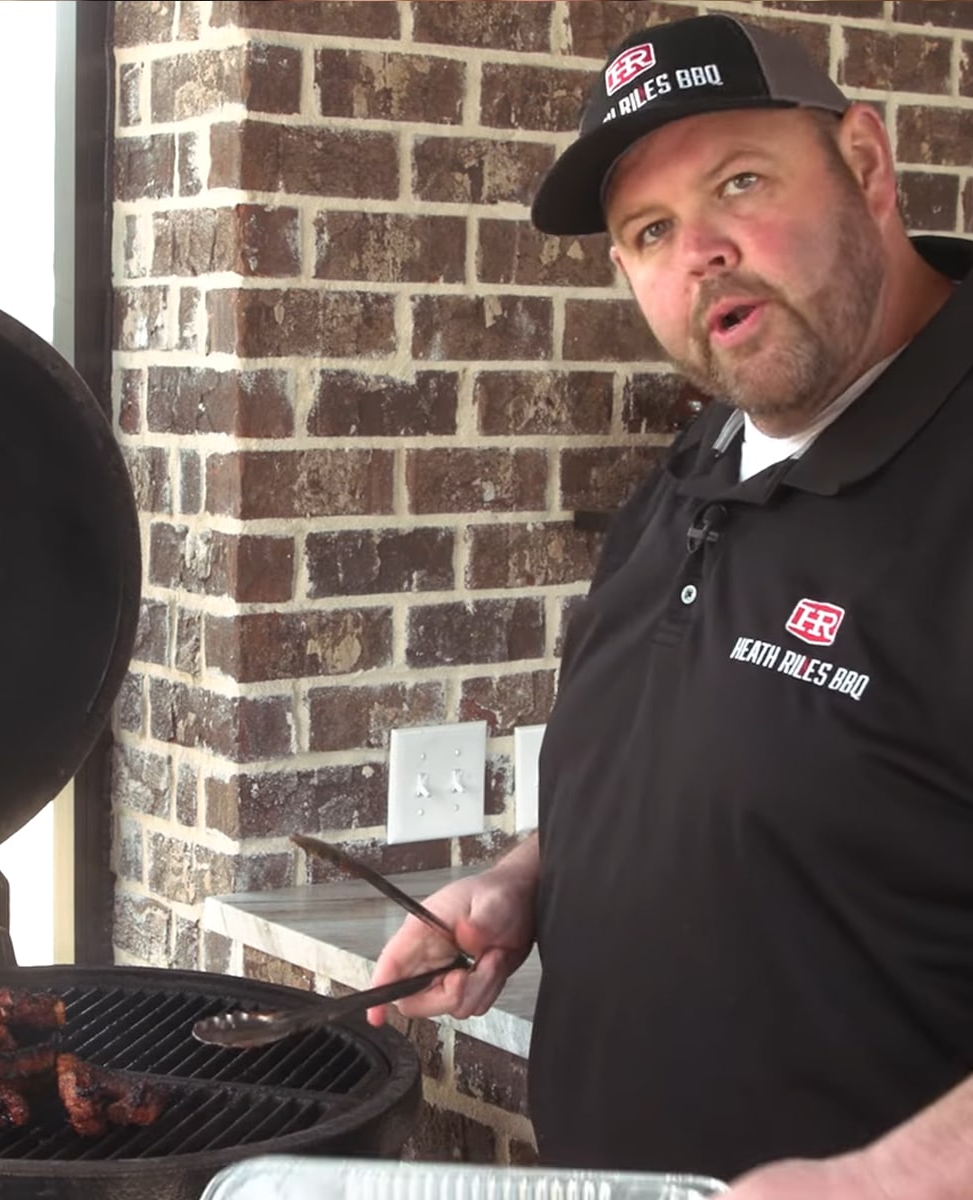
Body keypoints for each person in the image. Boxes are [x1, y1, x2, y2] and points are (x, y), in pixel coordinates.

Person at [368, 12, 973, 1197]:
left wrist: (892, 1178)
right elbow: (700, 768)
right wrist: (528, 880)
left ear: (865, 164)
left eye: (740, 184)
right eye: (653, 230)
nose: (701, 251)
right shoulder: (702, 464)